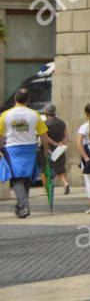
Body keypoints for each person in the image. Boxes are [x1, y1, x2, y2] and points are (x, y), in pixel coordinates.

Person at [0, 88, 47, 218]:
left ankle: (24, 205)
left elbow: (1, 135)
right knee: (26, 177)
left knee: (16, 178)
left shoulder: (6, 115)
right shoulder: (34, 114)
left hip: (12, 149)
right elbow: (43, 134)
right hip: (30, 148)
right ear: (28, 100)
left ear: (15, 99)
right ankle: (20, 206)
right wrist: (47, 149)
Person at [42, 103, 70, 194]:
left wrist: (54, 143)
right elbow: (67, 136)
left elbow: (45, 137)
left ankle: (46, 189)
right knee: (60, 169)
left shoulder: (45, 123)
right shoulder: (61, 122)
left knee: (45, 168)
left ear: (46, 113)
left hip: (49, 148)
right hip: (60, 149)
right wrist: (61, 143)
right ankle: (65, 183)